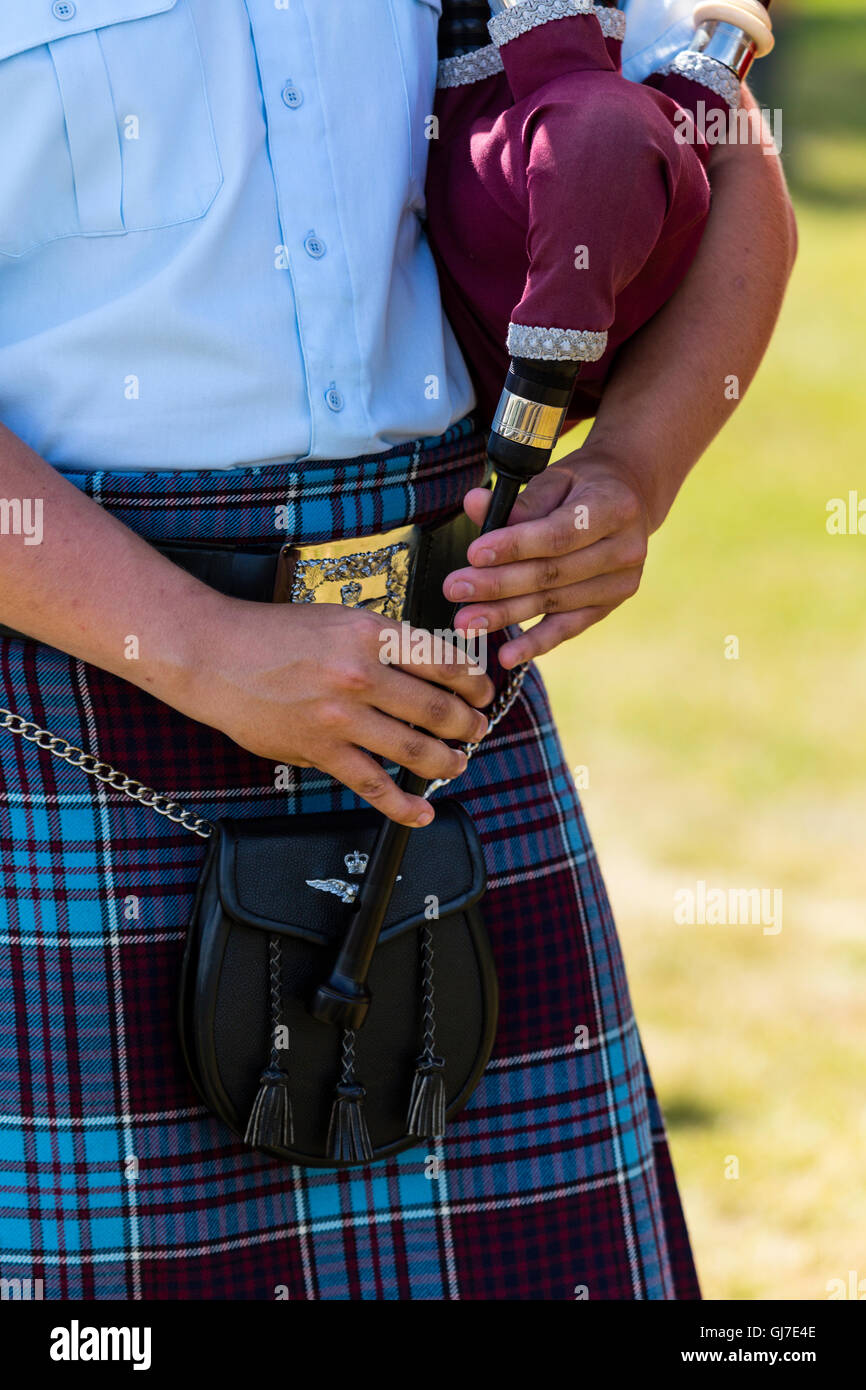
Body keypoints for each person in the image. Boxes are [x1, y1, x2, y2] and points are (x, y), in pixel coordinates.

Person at [0, 0, 794, 1300]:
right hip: (65, 713)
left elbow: (729, 150)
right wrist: (195, 644)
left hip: (446, 708)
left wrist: (636, 468)